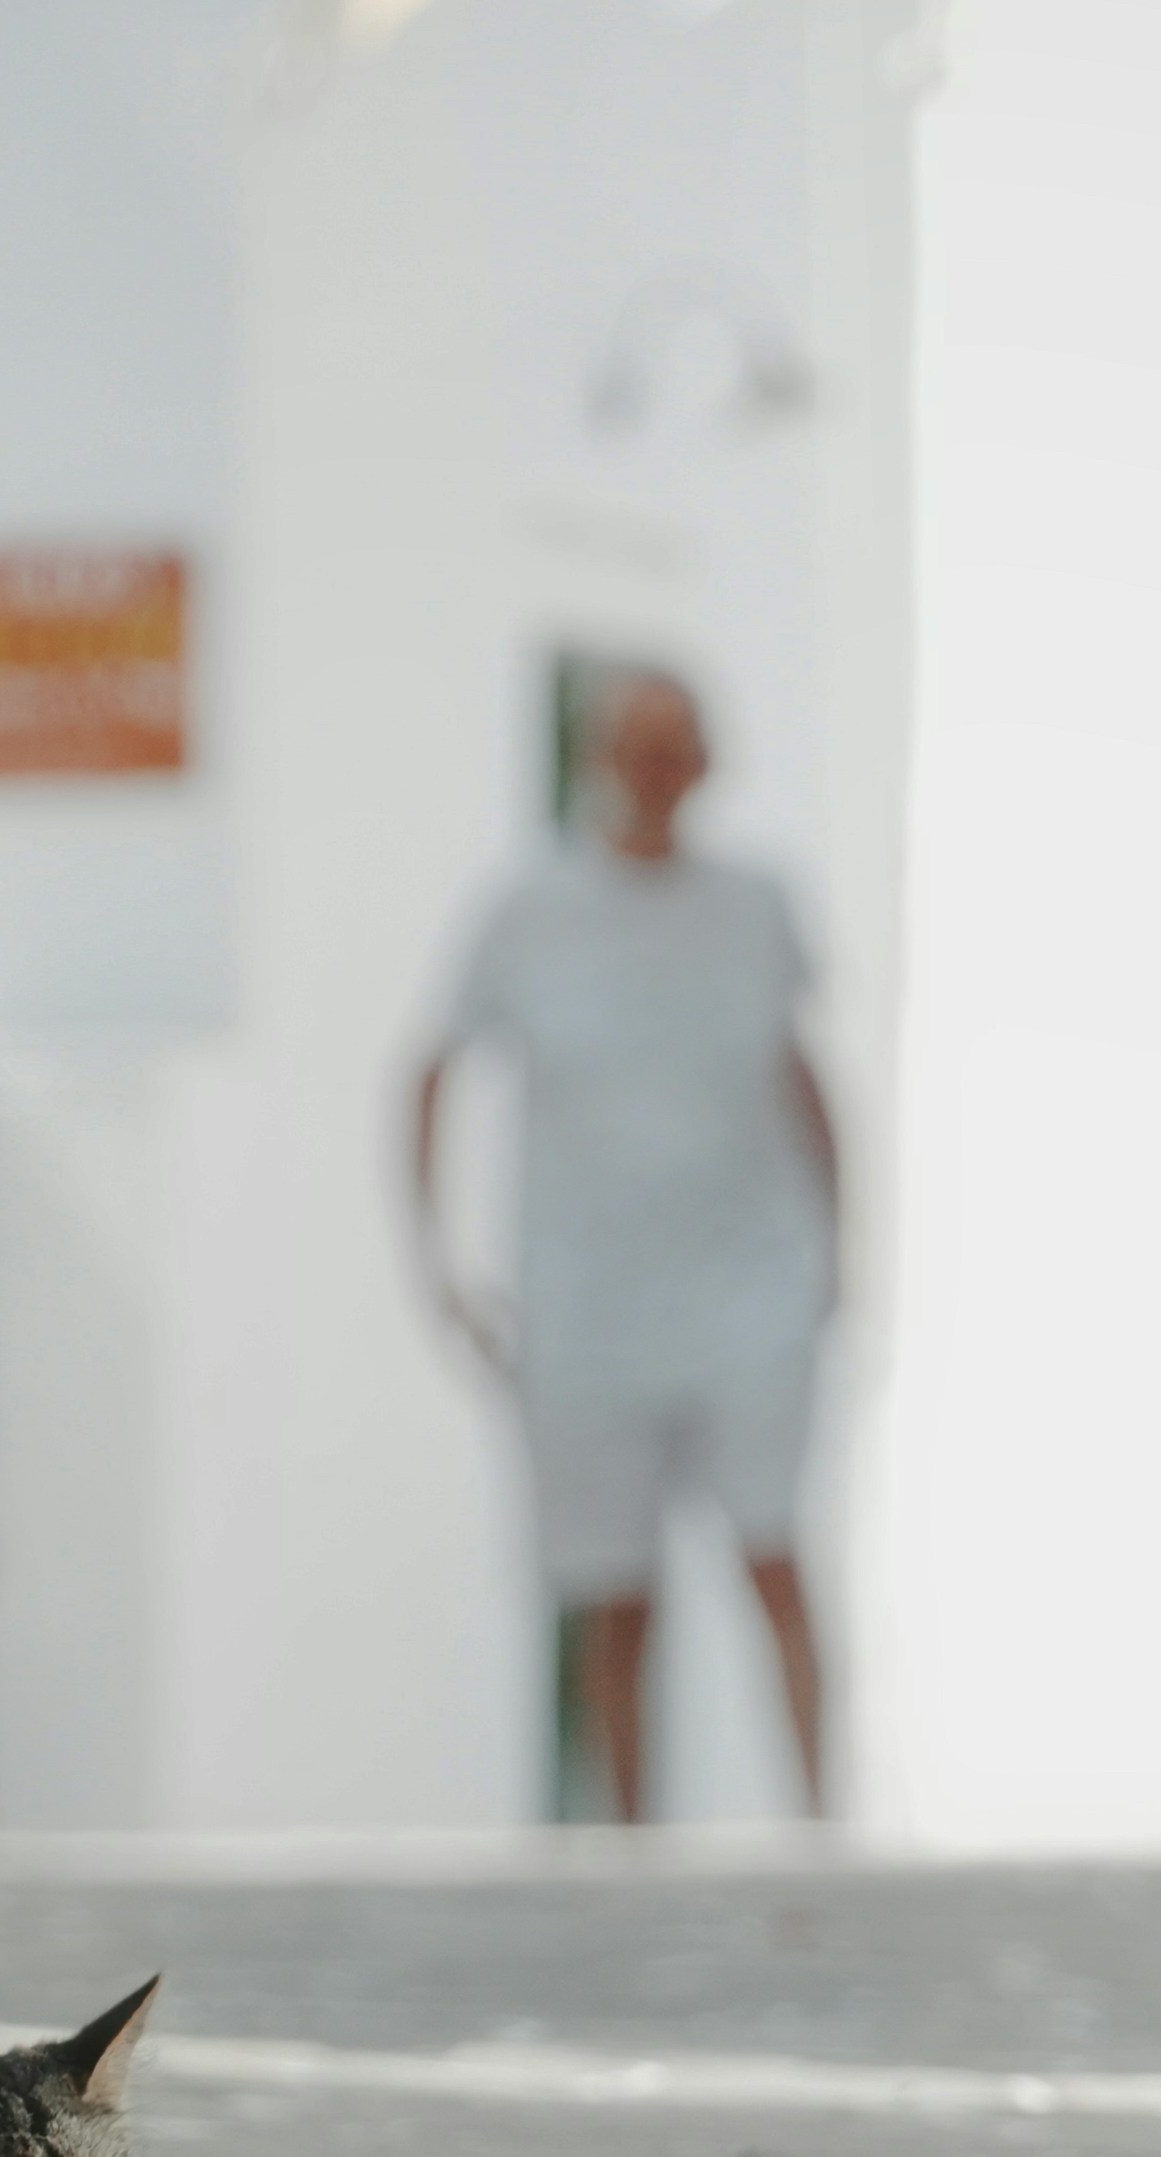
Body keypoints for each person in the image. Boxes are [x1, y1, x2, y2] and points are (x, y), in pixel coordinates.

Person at [405, 669, 840, 1822]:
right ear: (601, 761)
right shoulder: (528, 909)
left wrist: (840, 1243)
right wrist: (438, 1266)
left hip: (747, 1283)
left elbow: (796, 1071)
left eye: (676, 749)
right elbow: (432, 1066)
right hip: (588, 1298)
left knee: (773, 1550)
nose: (656, 774)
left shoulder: (755, 903)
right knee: (614, 1591)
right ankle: (630, 1849)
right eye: (637, 749)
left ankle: (821, 1830)